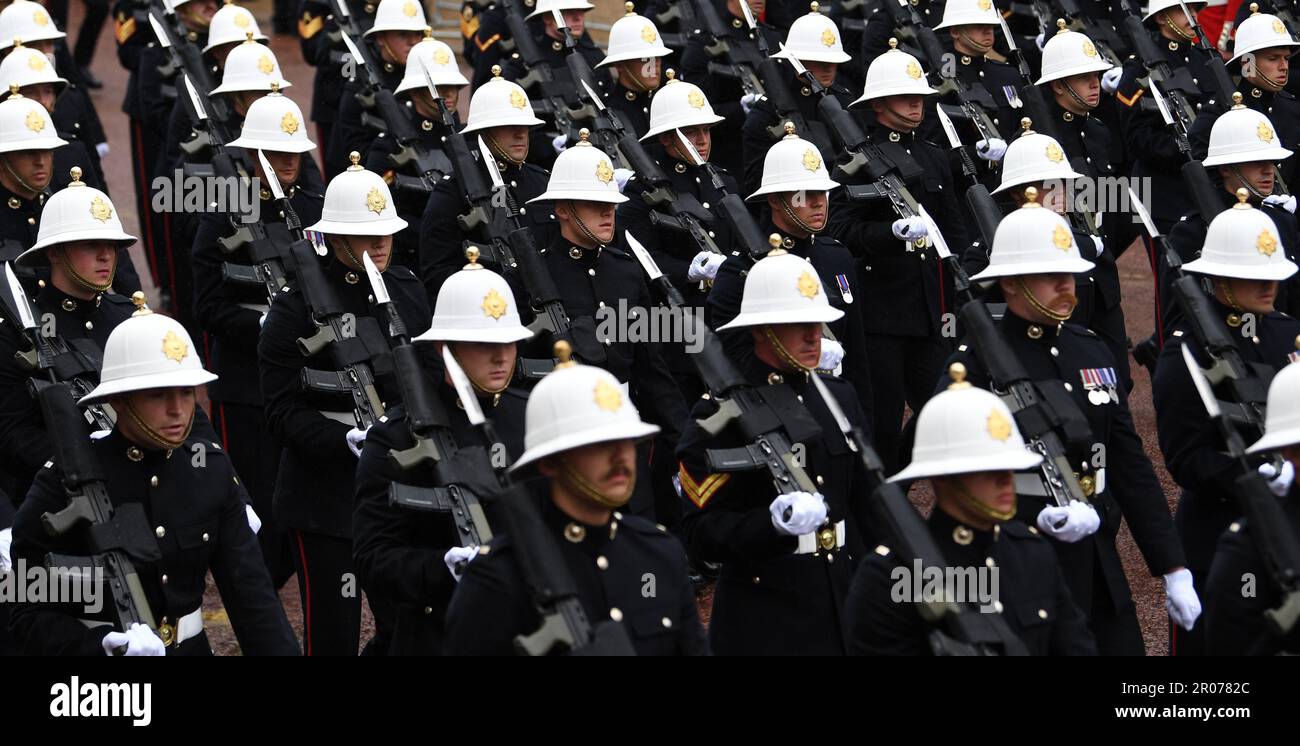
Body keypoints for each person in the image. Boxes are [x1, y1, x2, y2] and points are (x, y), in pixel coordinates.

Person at [9, 306, 299, 655]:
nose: (177, 409)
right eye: (158, 395)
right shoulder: (63, 481)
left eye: (187, 392)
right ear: (119, 399)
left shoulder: (210, 470)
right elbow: (24, 610)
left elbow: (253, 600)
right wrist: (96, 646)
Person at [443, 348, 708, 656]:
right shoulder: (498, 579)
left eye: (625, 441)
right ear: (551, 463)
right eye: (599, 446)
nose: (620, 456)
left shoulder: (658, 552)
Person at [677, 248, 873, 655]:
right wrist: (772, 527)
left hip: (841, 593)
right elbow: (701, 533)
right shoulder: (719, 415)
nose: (813, 334)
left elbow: (868, 502)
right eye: (797, 324)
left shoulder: (838, 396)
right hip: (766, 611)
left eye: (817, 322)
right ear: (762, 330)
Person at [843, 364, 1098, 656]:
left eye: (1008, 465)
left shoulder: (1031, 552)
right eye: (987, 469)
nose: (1006, 479)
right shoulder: (889, 577)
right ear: (943, 478)